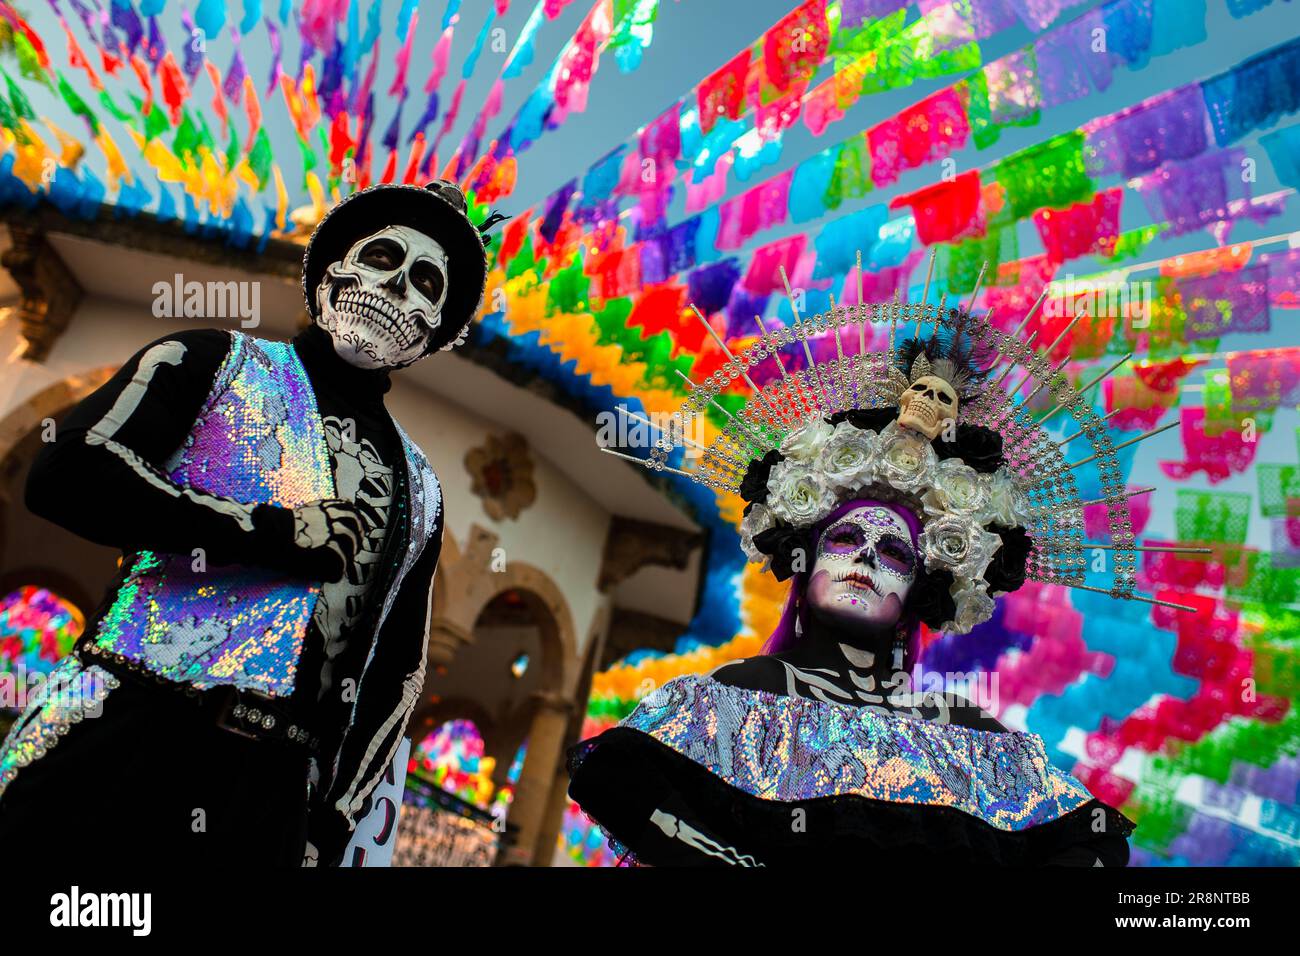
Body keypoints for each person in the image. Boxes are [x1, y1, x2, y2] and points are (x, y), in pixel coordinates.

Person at [0, 180, 502, 867]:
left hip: (267, 800)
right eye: (382, 258)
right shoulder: (210, 360)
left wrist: (330, 819)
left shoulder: (423, 492)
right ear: (332, 272)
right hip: (121, 731)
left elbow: (396, 672)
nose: (394, 291)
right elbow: (67, 471)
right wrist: (268, 533)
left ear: (436, 329)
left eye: (424, 284)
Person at [569, 305, 1139, 866]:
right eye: (845, 540)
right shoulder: (744, 697)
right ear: (806, 559)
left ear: (922, 586)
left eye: (893, 553)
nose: (866, 557)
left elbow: (1093, 840)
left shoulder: (961, 733)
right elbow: (616, 775)